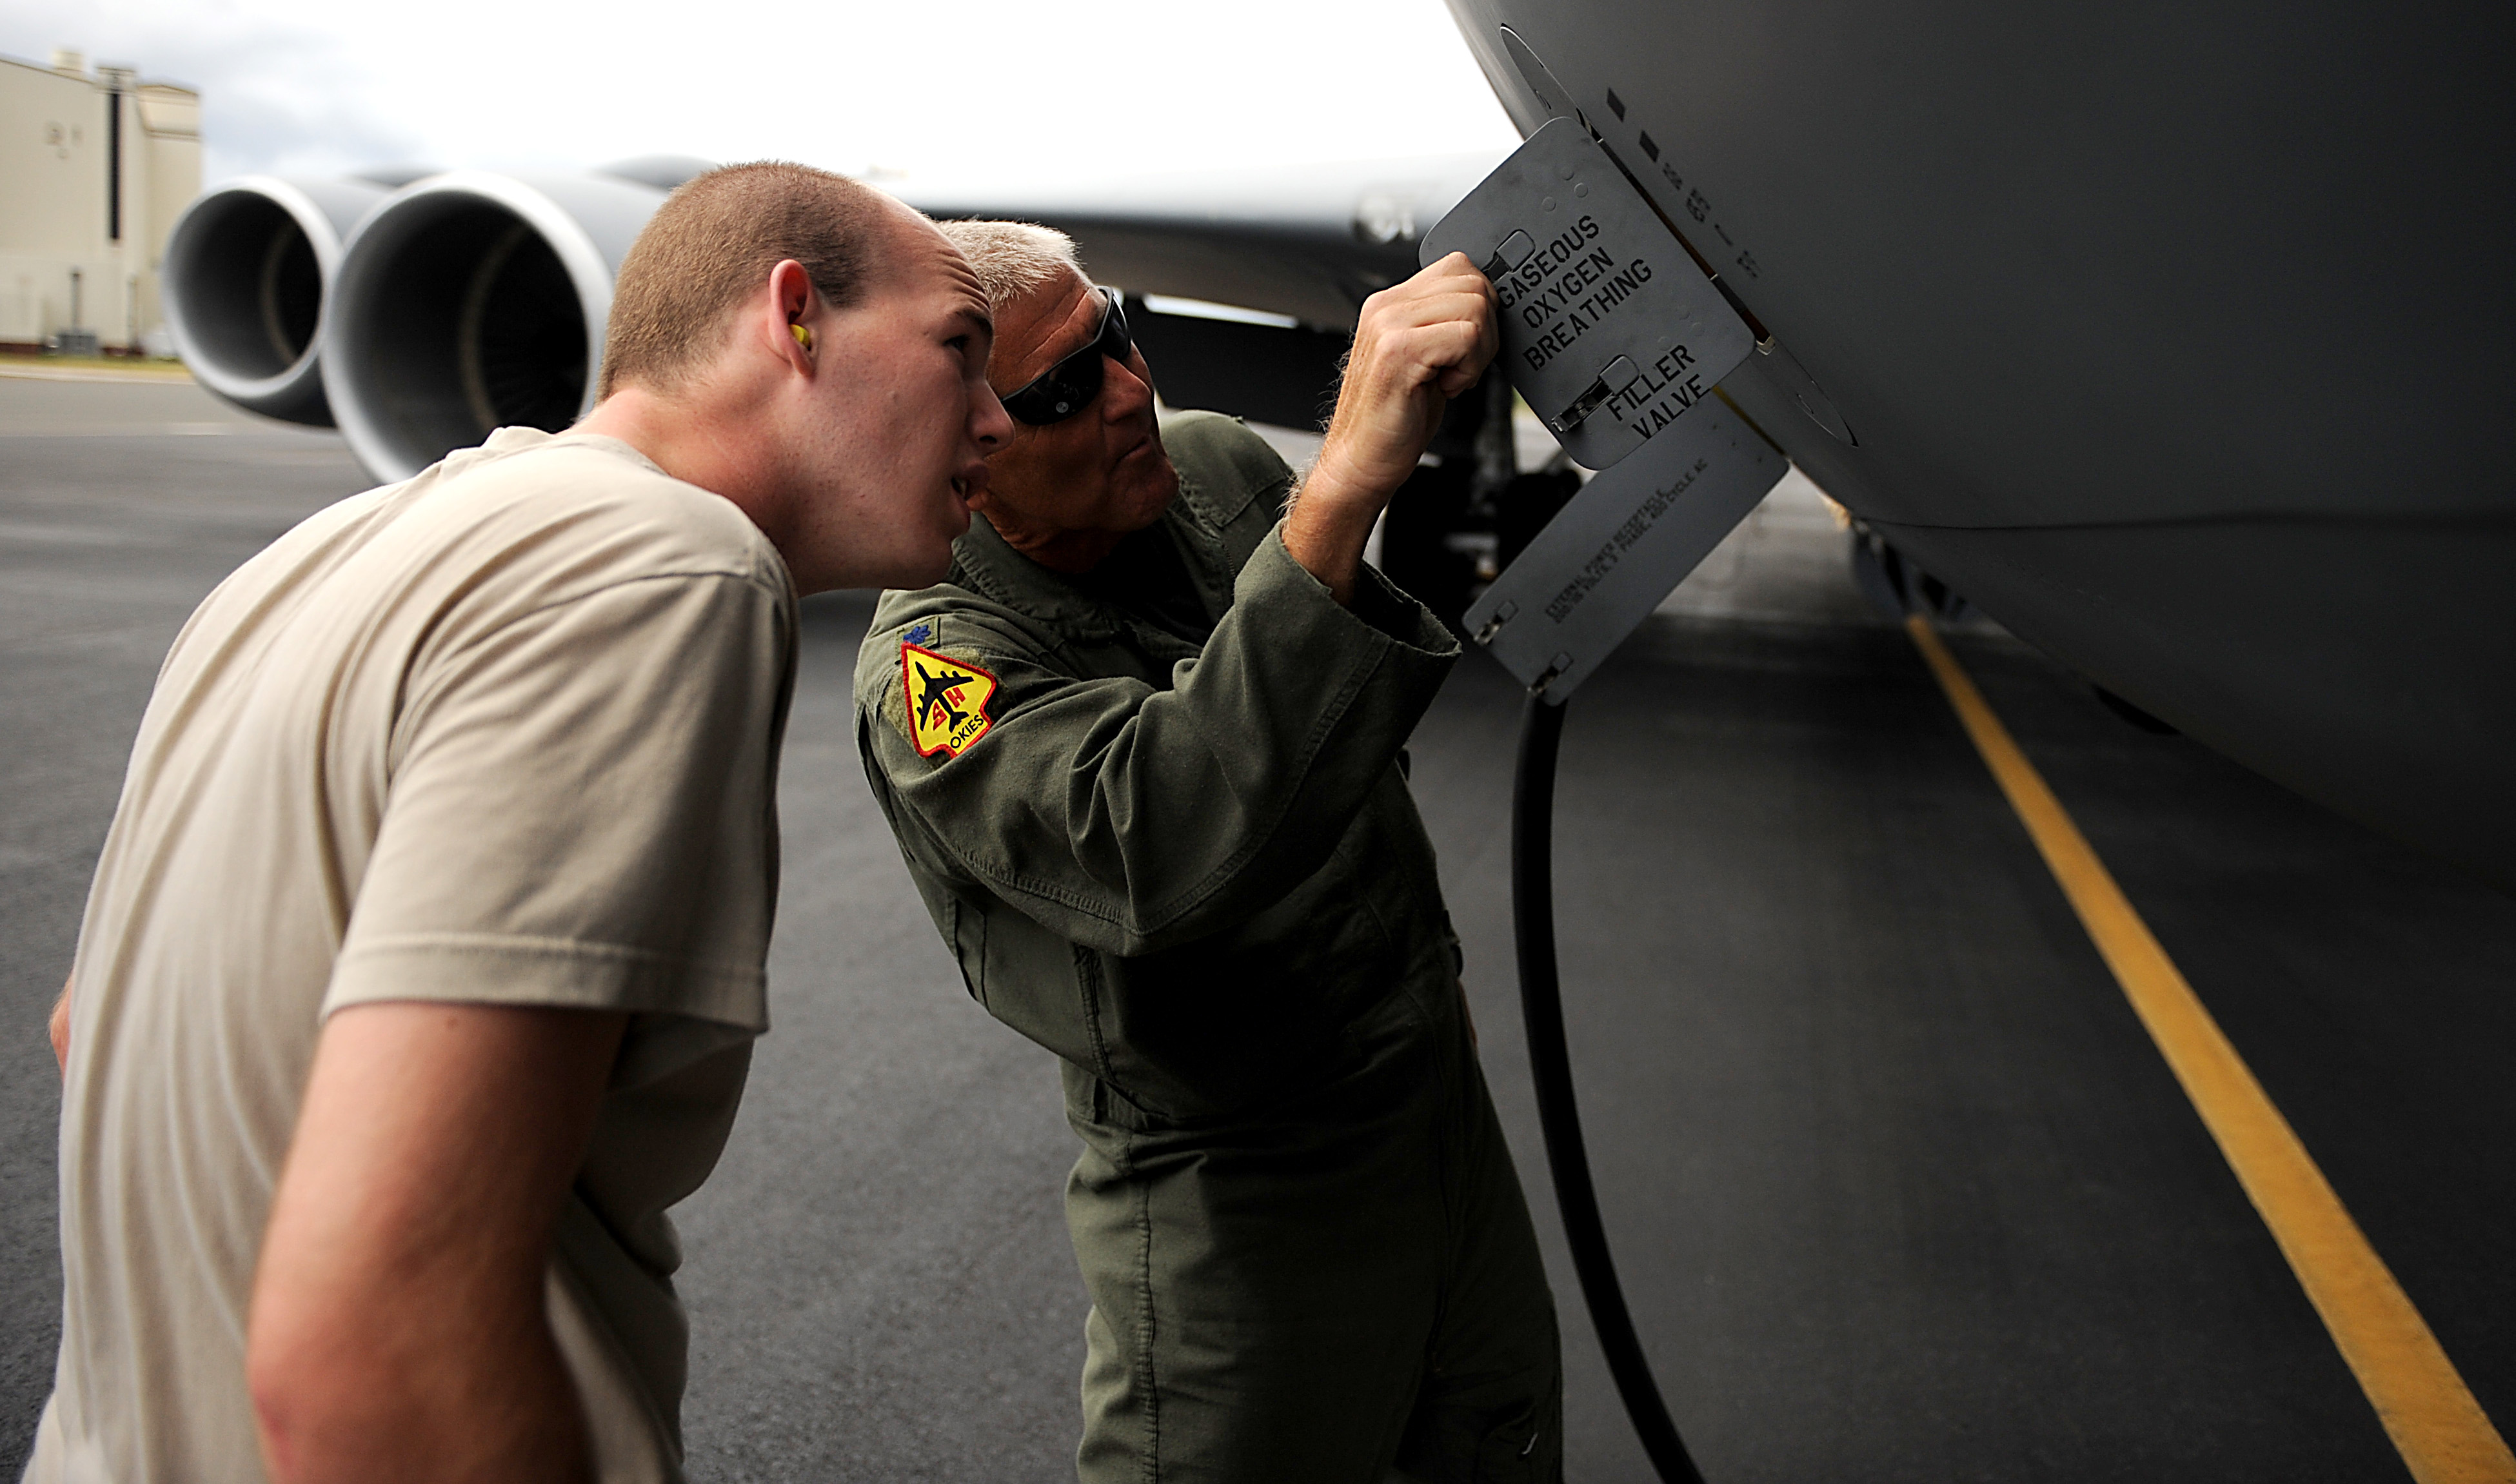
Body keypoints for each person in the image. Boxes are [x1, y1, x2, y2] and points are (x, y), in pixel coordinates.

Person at [33, 163, 1009, 1484]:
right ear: (795, 319)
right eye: (962, 350)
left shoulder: (305, 560)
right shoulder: (666, 562)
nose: (996, 420)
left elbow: (88, 1026)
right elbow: (385, 1351)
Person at [852, 220, 1562, 1483]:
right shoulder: (938, 667)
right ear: (963, 449)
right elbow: (1154, 843)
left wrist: (1424, 978)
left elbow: (1341, 749)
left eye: (1116, 338)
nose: (1130, 395)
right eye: (1062, 392)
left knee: (1494, 1437)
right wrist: (1339, 493)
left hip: (1425, 1102)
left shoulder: (1213, 467)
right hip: (1243, 1180)